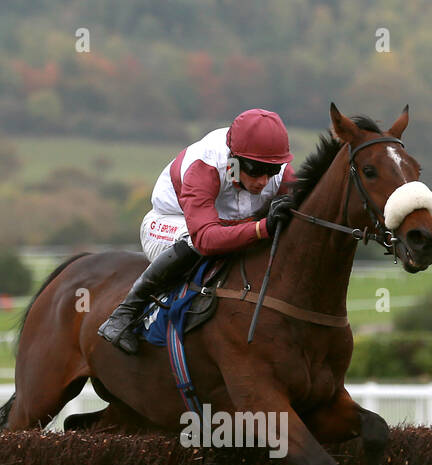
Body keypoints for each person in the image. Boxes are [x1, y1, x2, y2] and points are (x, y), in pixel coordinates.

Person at [98, 108, 298, 353]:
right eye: (255, 169)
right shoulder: (205, 165)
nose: (264, 181)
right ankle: (124, 313)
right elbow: (205, 239)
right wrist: (262, 227)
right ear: (234, 159)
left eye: (273, 170)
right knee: (195, 242)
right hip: (172, 223)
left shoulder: (279, 171)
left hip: (227, 226)